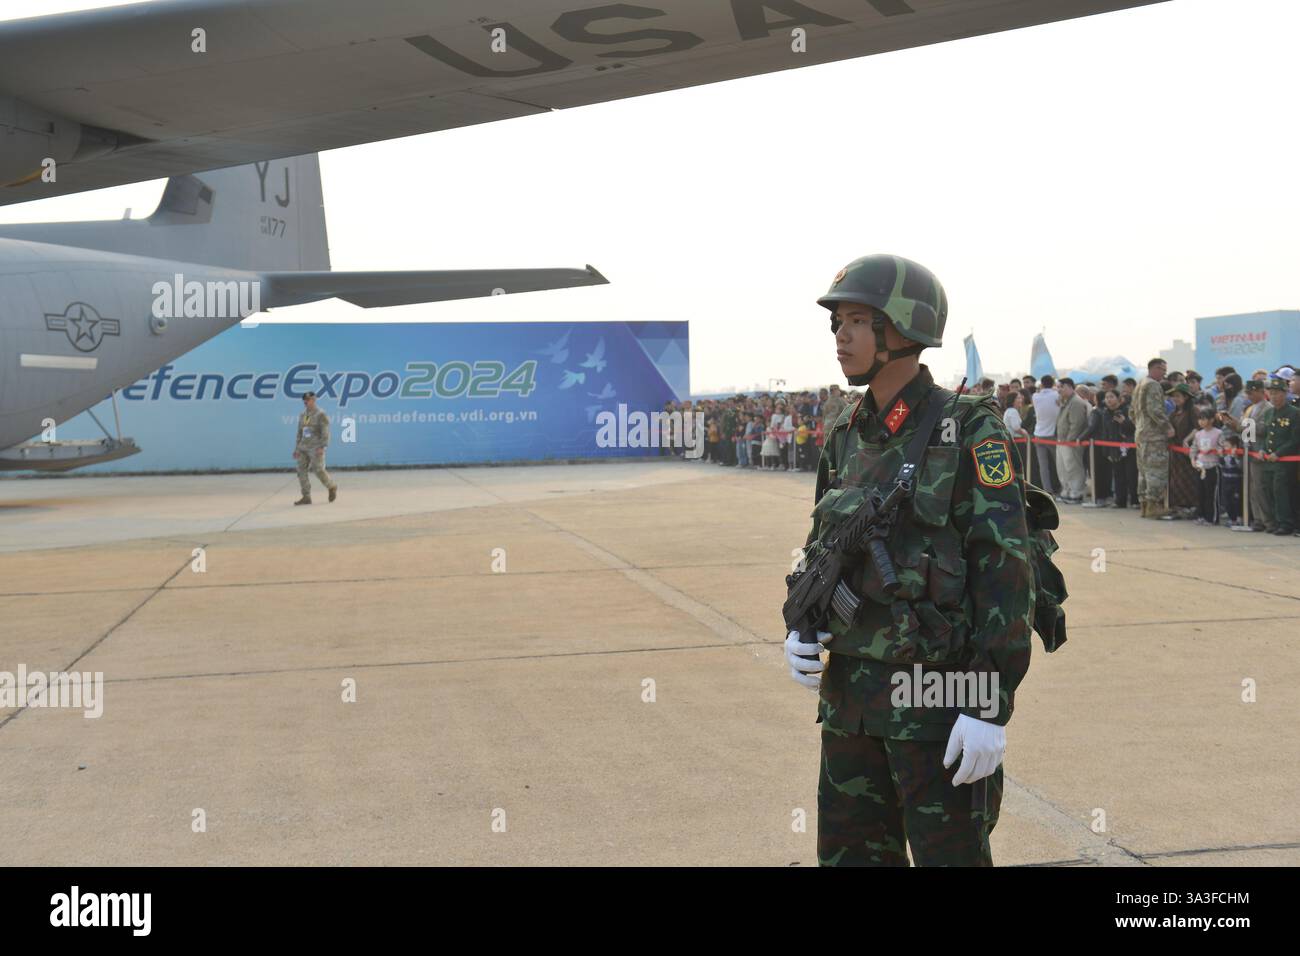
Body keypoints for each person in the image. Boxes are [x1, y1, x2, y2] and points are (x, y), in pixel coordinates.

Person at [784, 254, 1032, 867]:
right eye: (837, 321)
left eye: (858, 321)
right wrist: (802, 622)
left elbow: (1006, 571)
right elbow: (825, 549)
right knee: (849, 857)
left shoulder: (969, 430)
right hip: (850, 702)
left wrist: (988, 702)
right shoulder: (846, 431)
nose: (841, 335)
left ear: (901, 330)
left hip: (938, 699)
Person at [1132, 358, 1173, 518]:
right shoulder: (1153, 385)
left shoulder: (1140, 384)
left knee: (1143, 472)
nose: (1164, 373)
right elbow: (1155, 410)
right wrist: (1167, 427)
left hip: (1141, 433)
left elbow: (1132, 412)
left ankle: (1143, 505)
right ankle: (1153, 505)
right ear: (1154, 368)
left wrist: (1139, 426)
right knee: (1156, 471)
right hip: (1154, 435)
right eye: (1162, 369)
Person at [1259, 377, 1300, 535]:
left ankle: (1286, 523)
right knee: (1269, 490)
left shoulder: (1294, 413)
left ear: (1285, 393)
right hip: (1269, 460)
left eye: (1277, 393)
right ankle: (1276, 521)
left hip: (1284, 461)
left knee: (1281, 491)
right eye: (1272, 393)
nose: (1274, 396)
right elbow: (1268, 435)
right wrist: (1263, 449)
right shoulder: (1269, 412)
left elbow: (1295, 440)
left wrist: (1279, 453)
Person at [292, 391, 338, 505]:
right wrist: (297, 448)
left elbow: (325, 431)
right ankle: (306, 496)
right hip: (303, 447)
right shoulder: (303, 415)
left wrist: (323, 446)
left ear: (314, 400)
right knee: (300, 470)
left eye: (308, 400)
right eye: (304, 400)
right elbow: (299, 432)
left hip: (315, 447)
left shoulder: (321, 414)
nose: (305, 402)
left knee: (318, 470)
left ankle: (331, 486)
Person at [1054, 377, 1089, 504]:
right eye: (1058, 387)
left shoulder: (1076, 402)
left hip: (1070, 442)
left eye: (1061, 387)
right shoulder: (1066, 401)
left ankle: (1077, 492)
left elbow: (1077, 423)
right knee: (1063, 469)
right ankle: (1067, 491)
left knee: (1073, 468)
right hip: (1061, 441)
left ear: (1069, 386)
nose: (1058, 390)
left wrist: (1070, 440)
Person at [1100, 389, 1137, 508]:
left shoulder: (1126, 410)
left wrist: (1124, 422)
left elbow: (1135, 428)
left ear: (1118, 398)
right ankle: (1120, 501)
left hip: (1129, 447)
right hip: (1114, 448)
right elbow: (1105, 432)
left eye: (1111, 397)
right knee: (1118, 474)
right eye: (1107, 397)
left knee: (1131, 474)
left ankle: (1135, 501)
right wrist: (1106, 451)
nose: (1109, 400)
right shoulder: (1105, 413)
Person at [1167, 384, 1199, 518]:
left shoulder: (1193, 411)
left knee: (1189, 480)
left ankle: (1191, 507)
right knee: (1176, 480)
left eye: (1178, 396)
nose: (1175, 399)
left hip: (1188, 451)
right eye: (1174, 396)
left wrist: (1187, 439)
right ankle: (1178, 507)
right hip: (1176, 452)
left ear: (1186, 397)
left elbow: (1198, 427)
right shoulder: (1174, 413)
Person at [1188, 409, 1224, 526]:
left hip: (1212, 466)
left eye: (1204, 419)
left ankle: (1212, 517)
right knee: (1200, 492)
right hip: (1200, 466)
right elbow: (1193, 448)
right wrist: (1193, 459)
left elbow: (1222, 449)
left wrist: (1215, 450)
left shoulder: (1218, 433)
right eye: (1200, 419)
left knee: (1211, 494)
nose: (1201, 422)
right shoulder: (1198, 434)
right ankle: (1201, 515)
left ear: (1212, 420)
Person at [1031, 374, 1061, 495]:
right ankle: (1062, 488)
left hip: (1038, 433)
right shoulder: (1056, 395)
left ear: (1042, 384)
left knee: (1043, 466)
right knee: (1059, 463)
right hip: (1053, 434)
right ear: (1053, 383)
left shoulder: (1035, 396)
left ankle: (1047, 490)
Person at [1220, 434, 1247, 530]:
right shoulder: (1225, 455)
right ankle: (1232, 518)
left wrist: (1234, 456)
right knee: (1227, 500)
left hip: (1236, 481)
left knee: (1236, 500)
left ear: (1234, 446)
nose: (1225, 448)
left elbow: (1239, 467)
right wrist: (1221, 456)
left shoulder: (1238, 456)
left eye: (1227, 446)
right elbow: (1221, 465)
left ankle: (1239, 517)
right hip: (1226, 480)